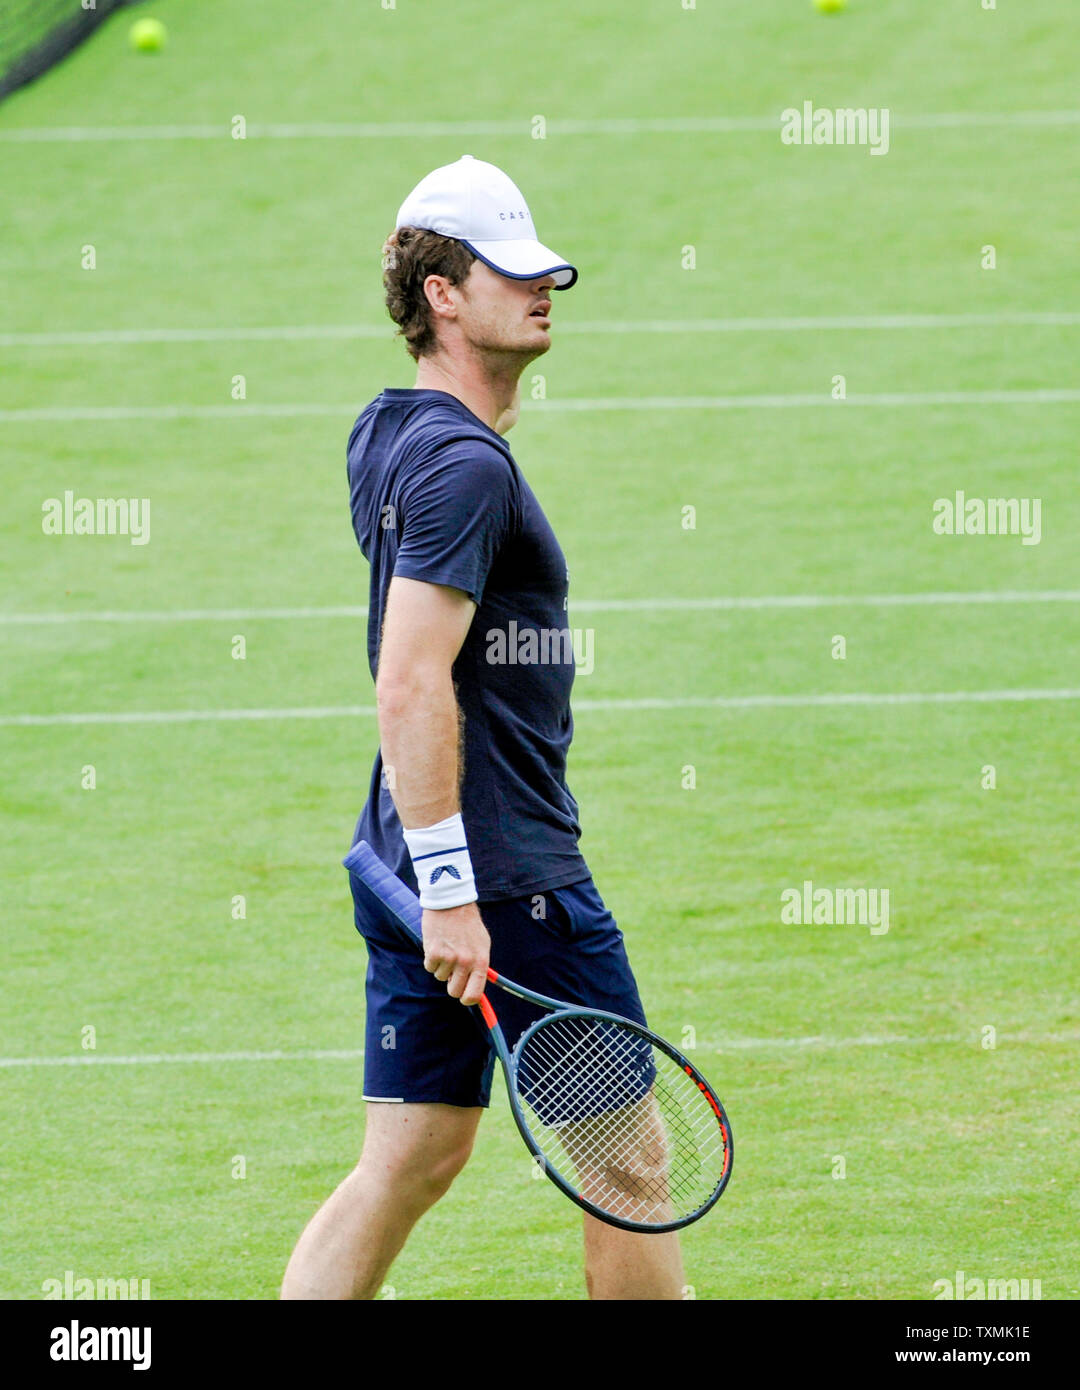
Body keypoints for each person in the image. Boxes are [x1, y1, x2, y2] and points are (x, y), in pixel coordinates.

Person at [281, 156, 684, 1300]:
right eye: (511, 272)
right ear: (442, 292)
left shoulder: (393, 431)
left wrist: (432, 876)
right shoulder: (463, 464)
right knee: (631, 1166)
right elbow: (411, 683)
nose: (543, 287)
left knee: (408, 1158)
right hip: (502, 877)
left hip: (404, 856)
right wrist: (459, 889)